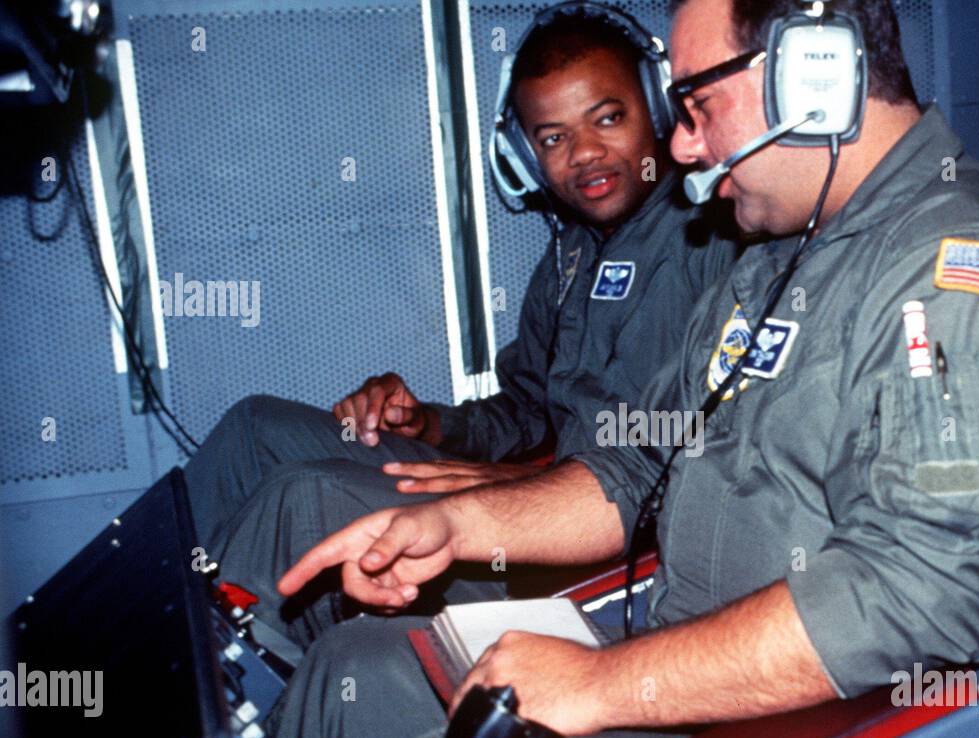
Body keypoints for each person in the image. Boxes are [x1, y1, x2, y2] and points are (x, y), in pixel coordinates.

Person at [267, 0, 979, 738]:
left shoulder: (959, 276)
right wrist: (457, 526)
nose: (680, 146)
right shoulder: (776, 259)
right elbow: (639, 463)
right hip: (685, 660)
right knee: (350, 678)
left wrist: (601, 683)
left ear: (813, 80)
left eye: (699, 105)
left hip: (830, 722)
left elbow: (915, 600)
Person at [181, 3, 740, 652]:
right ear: (526, 155)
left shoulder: (716, 239)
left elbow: (692, 456)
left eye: (608, 118)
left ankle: (202, 702)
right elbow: (527, 410)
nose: (585, 153)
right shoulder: (569, 257)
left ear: (659, 109)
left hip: (596, 533)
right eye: (553, 138)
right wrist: (429, 425)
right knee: (256, 431)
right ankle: (159, 629)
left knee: (304, 496)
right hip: (536, 487)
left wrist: (538, 486)